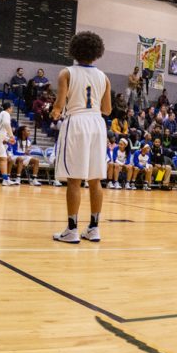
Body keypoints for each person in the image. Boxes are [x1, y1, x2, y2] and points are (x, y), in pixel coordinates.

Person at [49, 32, 110, 243]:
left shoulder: (66, 73)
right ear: (97, 52)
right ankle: (94, 228)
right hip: (97, 124)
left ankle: (72, 230)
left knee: (74, 180)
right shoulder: (104, 77)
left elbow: (58, 106)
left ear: (74, 50)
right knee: (95, 180)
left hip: (76, 123)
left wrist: (54, 113)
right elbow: (108, 109)